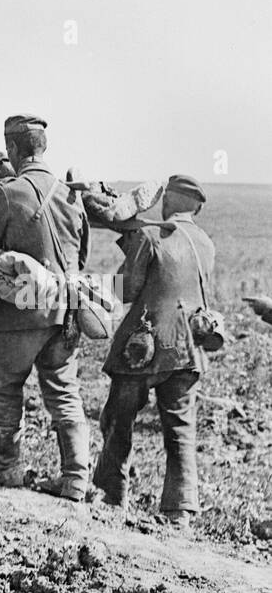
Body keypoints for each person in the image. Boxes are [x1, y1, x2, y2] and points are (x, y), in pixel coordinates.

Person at [0, 113, 91, 500]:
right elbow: (82, 254)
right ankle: (75, 479)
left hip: (22, 312)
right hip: (66, 312)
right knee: (64, 391)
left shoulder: (9, 193)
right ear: (44, 147)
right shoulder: (71, 194)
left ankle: (6, 469)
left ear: (13, 149)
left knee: (6, 388)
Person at [92, 175, 216, 529]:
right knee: (179, 426)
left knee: (118, 418)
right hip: (188, 346)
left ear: (166, 202)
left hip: (143, 347)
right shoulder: (205, 243)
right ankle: (181, 509)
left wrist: (126, 254)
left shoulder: (150, 235)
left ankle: (110, 494)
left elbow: (126, 289)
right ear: (198, 207)